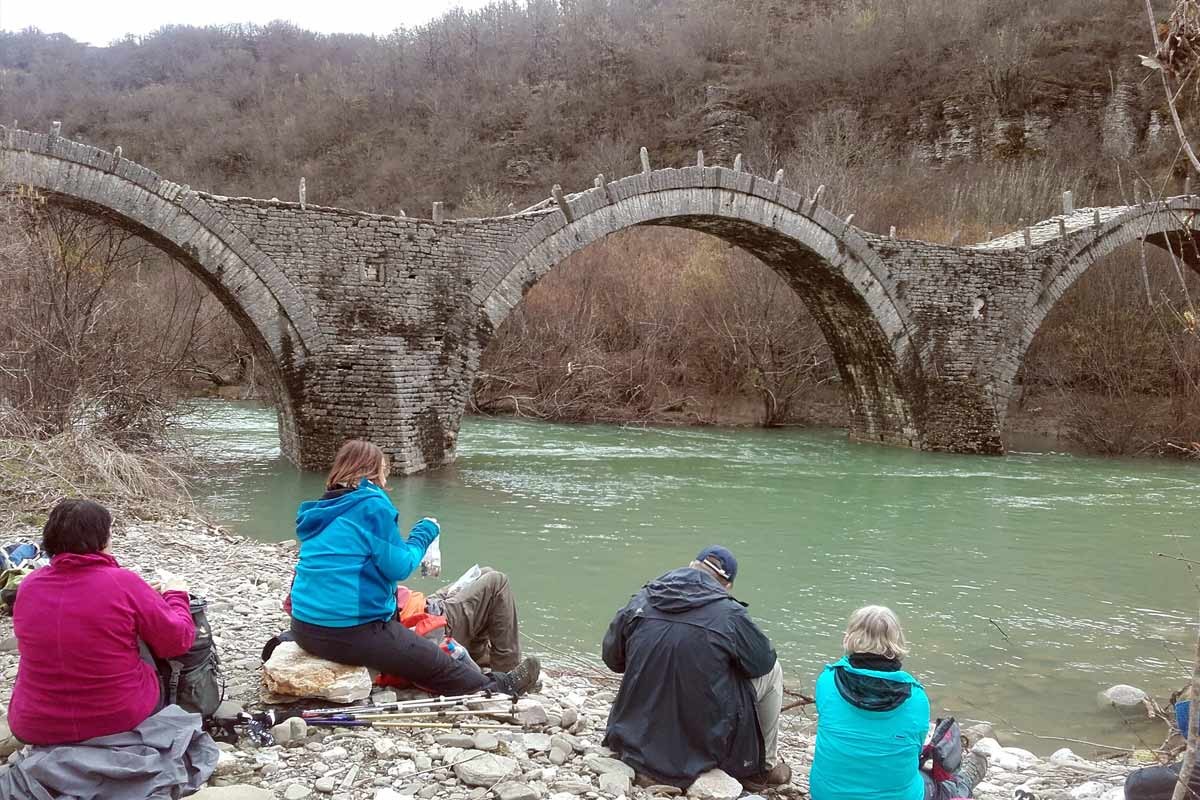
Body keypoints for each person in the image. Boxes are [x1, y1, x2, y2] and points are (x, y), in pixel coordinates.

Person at [288, 438, 540, 696]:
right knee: (435, 664)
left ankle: (485, 661)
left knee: (486, 578)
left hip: (304, 628)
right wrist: (424, 533)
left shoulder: (323, 510)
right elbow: (400, 566)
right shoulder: (370, 506)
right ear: (374, 472)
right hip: (351, 631)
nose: (386, 481)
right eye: (384, 471)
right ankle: (499, 687)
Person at [8, 498, 199, 745]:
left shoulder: (29, 585)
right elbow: (177, 641)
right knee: (143, 638)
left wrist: (142, 598)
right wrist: (176, 595)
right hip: (115, 719)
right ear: (100, 540)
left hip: (33, 724)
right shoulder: (123, 582)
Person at [601, 545, 790, 790]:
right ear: (727, 585)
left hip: (630, 741)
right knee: (774, 670)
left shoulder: (642, 598)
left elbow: (612, 659)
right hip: (699, 753)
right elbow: (762, 662)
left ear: (691, 566)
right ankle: (763, 768)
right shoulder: (730, 614)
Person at [809, 605, 988, 800]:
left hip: (828, 794)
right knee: (938, 786)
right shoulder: (916, 697)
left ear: (851, 637)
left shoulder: (827, 681)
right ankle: (964, 782)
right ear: (895, 641)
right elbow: (914, 750)